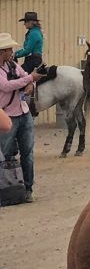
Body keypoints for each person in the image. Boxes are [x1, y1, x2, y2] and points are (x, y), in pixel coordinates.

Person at [0, 31, 41, 202]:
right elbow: (6, 86)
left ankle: (27, 188)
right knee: (6, 153)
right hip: (8, 116)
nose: (12, 52)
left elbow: (24, 76)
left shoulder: (12, 65)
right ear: (2, 51)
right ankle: (6, 188)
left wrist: (30, 82)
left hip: (23, 113)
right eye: (9, 49)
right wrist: (30, 78)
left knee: (28, 153)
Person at [15, 12, 44, 117]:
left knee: (18, 76)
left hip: (33, 59)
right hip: (33, 58)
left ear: (32, 22)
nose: (24, 24)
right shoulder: (34, 32)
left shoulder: (33, 34)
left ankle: (23, 100)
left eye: (26, 22)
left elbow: (27, 50)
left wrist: (14, 55)